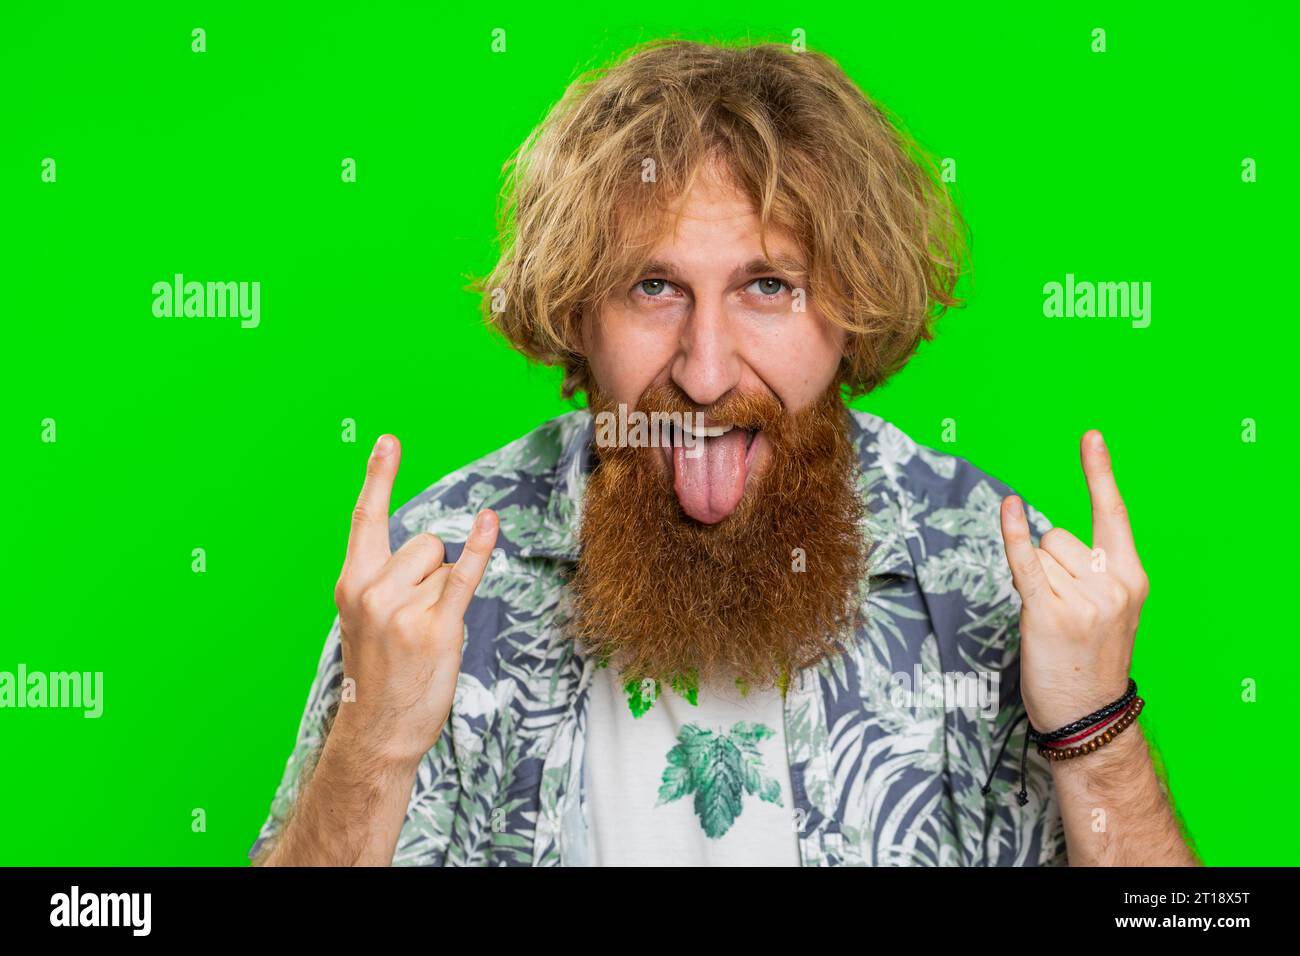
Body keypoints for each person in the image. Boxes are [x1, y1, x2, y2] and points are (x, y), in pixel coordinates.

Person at [249, 39, 1196, 866]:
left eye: (769, 286)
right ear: (579, 310)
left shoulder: (991, 571)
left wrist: (1096, 727)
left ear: (850, 310)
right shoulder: (441, 578)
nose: (704, 374)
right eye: (654, 286)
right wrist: (373, 739)